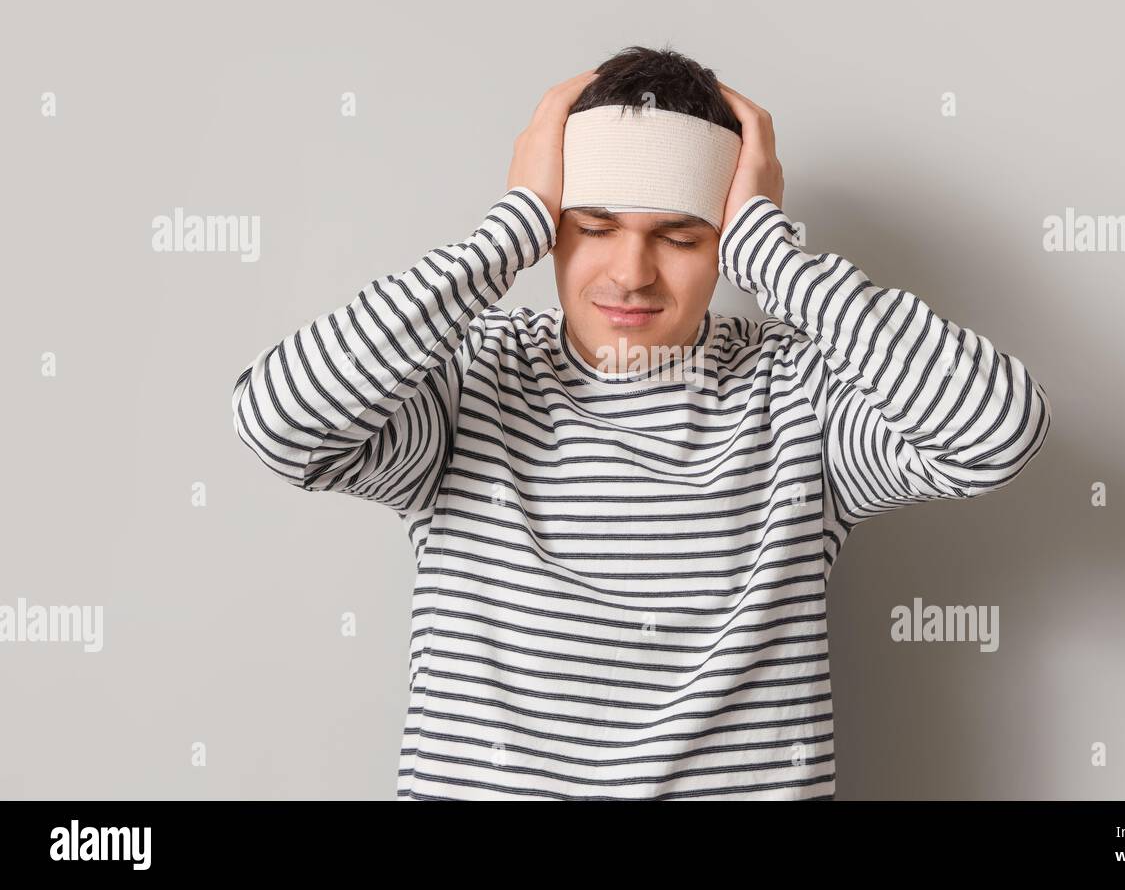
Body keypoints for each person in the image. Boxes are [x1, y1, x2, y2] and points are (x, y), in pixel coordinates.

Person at [231, 46, 1052, 800]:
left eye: (681, 236)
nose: (630, 272)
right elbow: (278, 421)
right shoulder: (466, 380)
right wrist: (507, 229)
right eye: (591, 228)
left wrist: (772, 251)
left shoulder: (799, 394)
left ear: (727, 243)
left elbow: (994, 431)